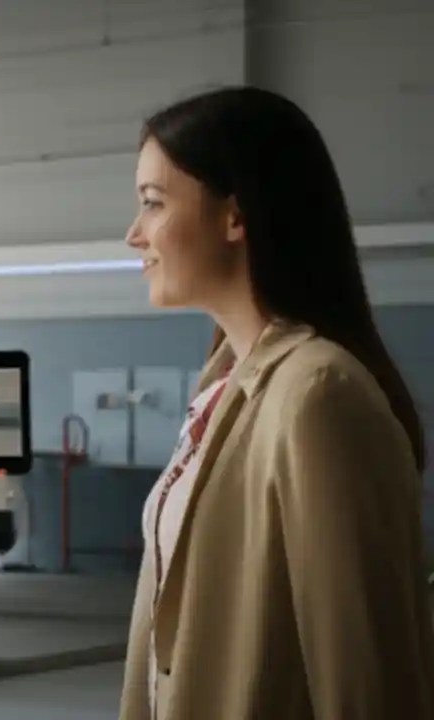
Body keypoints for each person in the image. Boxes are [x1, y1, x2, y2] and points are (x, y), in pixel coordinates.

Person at [119, 85, 434, 720]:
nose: (134, 236)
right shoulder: (224, 388)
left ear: (236, 216)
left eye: (153, 204)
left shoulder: (318, 394)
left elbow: (365, 676)